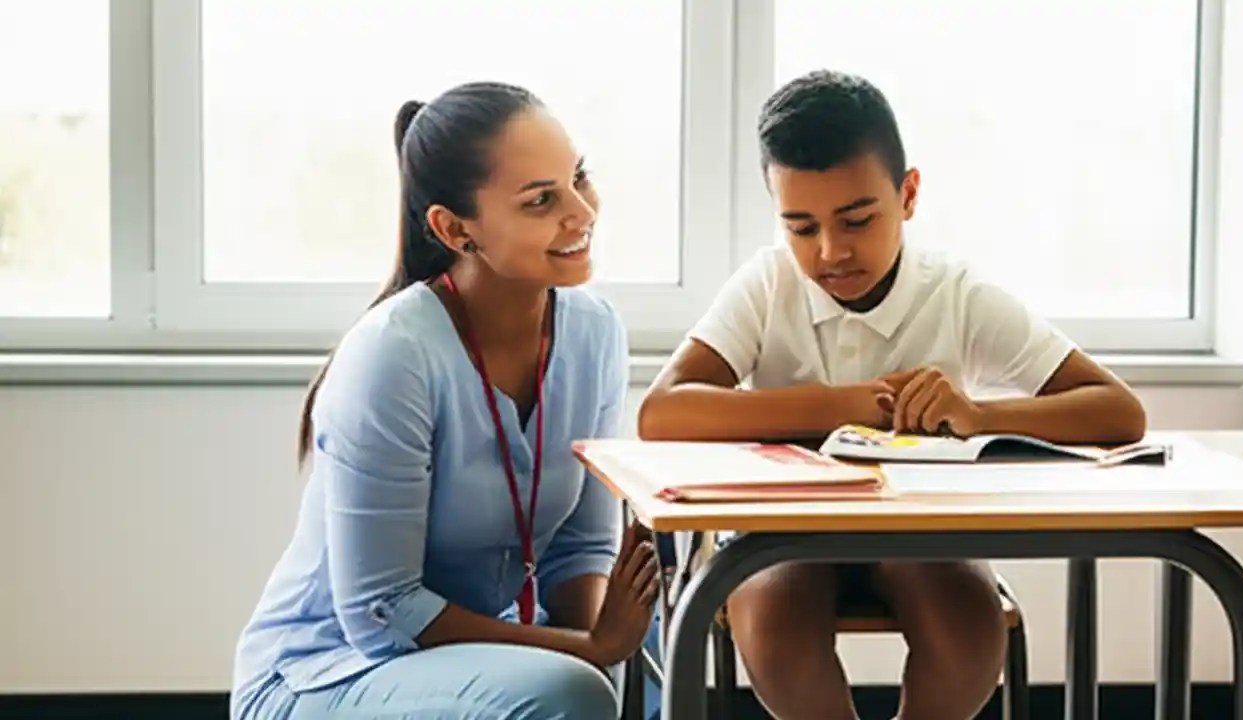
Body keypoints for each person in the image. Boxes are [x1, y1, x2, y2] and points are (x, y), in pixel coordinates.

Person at [638, 70, 1147, 720]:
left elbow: (1118, 411)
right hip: (779, 534)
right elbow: (664, 411)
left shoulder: (957, 293)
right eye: (800, 227)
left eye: (856, 219)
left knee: (967, 637)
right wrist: (847, 404)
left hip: (923, 534)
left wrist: (976, 415)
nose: (830, 251)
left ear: (908, 195)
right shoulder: (768, 284)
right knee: (774, 631)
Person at [231, 82, 657, 720]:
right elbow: (386, 613)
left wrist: (606, 644)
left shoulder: (595, 331)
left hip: (474, 657)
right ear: (455, 229)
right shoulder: (392, 354)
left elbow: (580, 550)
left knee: (650, 653)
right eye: (542, 200)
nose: (581, 212)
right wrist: (589, 649)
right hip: (331, 671)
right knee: (575, 689)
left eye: (579, 178)